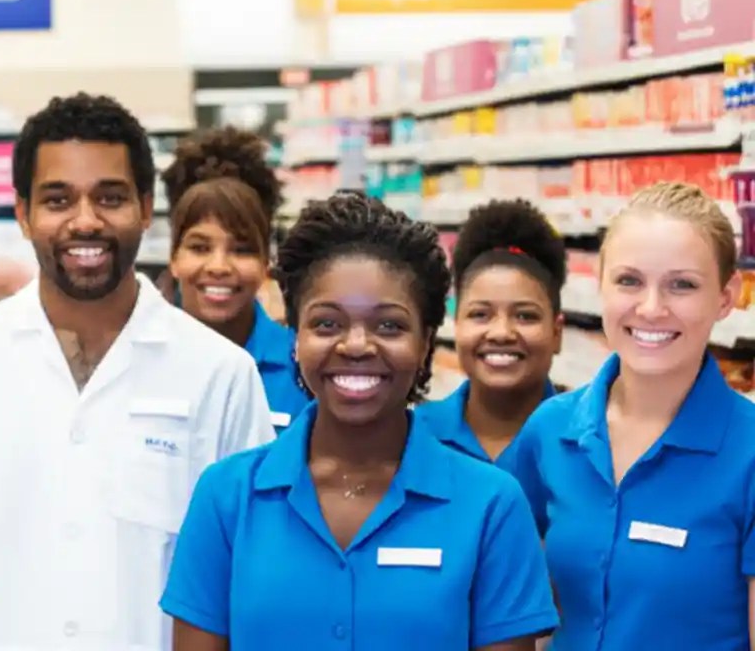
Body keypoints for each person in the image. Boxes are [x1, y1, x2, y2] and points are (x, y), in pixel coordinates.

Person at [0, 92, 275, 651]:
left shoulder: (218, 376)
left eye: (109, 198)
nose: (84, 221)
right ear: (23, 214)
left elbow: (248, 579)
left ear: (144, 207)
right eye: (58, 200)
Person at [160, 192, 558, 651]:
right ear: (295, 335)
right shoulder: (227, 496)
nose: (355, 345)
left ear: (426, 341)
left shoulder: (491, 505)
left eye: (389, 326)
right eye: (327, 324)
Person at [502, 181, 755, 650]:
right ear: (599, 286)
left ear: (726, 297)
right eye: (629, 281)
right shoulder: (551, 431)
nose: (652, 308)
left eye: (682, 284)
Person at [162, 126, 311, 430]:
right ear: (173, 257)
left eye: (242, 250)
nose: (219, 266)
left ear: (266, 261)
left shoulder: (305, 366)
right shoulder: (136, 362)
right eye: (199, 247)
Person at [415, 199, 565, 465]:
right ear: (457, 324)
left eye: (525, 316)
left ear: (557, 332)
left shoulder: (588, 442)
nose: (501, 333)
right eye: (480, 315)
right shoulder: (414, 438)